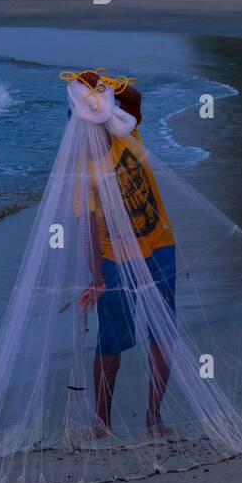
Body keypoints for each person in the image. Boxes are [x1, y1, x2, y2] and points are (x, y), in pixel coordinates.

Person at [73, 71, 177, 438]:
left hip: (159, 246)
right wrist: (97, 279)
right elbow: (89, 229)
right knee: (110, 339)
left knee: (162, 332)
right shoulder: (82, 172)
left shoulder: (126, 135)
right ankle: (102, 422)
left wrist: (101, 84)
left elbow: (134, 99)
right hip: (114, 260)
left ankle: (154, 417)